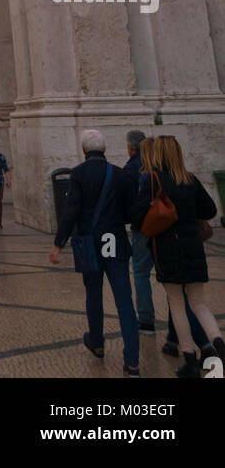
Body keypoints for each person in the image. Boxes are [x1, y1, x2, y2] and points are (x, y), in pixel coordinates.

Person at [131, 134, 224, 378]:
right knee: (199, 303)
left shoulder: (153, 180)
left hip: (168, 249)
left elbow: (137, 216)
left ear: (158, 154)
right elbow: (210, 210)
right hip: (193, 248)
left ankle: (190, 361)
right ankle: (219, 345)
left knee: (177, 304)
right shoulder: (190, 179)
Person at [49, 128, 139, 376]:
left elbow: (71, 212)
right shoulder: (120, 175)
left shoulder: (78, 174)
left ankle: (97, 343)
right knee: (124, 300)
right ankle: (132, 360)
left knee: (94, 293)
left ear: (84, 150)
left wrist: (59, 243)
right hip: (114, 240)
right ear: (105, 149)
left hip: (89, 241)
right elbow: (131, 212)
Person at [123, 130, 155, 332]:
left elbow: (127, 202)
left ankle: (145, 320)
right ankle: (177, 326)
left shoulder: (131, 168)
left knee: (141, 272)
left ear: (129, 147)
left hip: (143, 227)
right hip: (165, 227)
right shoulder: (159, 164)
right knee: (170, 277)